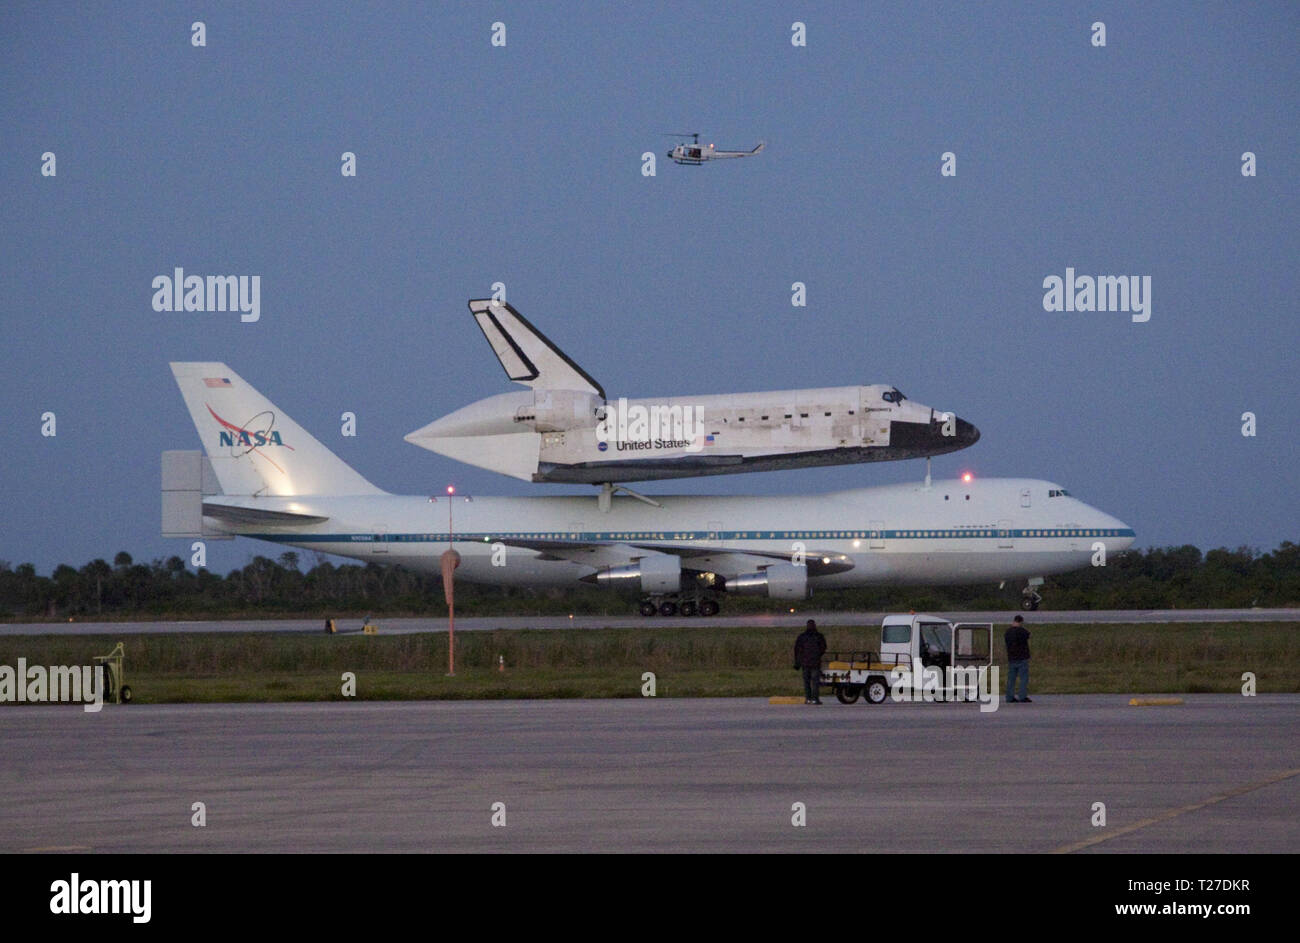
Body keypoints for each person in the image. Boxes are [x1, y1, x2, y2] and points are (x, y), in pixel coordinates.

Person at [794, 619, 827, 705]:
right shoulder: (819, 636)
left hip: (805, 663)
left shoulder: (802, 637)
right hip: (815, 662)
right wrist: (818, 655)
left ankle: (808, 699)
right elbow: (823, 648)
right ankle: (815, 699)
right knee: (815, 682)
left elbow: (797, 650)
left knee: (806, 682)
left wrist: (798, 661)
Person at [1004, 614, 1031, 702]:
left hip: (1011, 657)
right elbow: (1028, 635)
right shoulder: (1022, 631)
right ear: (1021, 622)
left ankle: (1009, 696)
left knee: (1011, 678)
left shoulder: (1008, 632)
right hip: (1022, 657)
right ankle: (1022, 696)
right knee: (1023, 678)